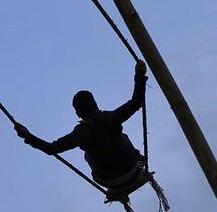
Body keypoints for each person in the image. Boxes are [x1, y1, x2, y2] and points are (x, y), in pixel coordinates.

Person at [15, 61, 148, 193]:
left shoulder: (80, 133)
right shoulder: (110, 118)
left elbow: (52, 148)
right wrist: (139, 75)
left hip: (107, 181)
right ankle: (140, 160)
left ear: (78, 113)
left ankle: (121, 173)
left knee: (87, 155)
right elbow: (136, 102)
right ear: (95, 103)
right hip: (131, 169)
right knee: (123, 137)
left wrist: (28, 136)